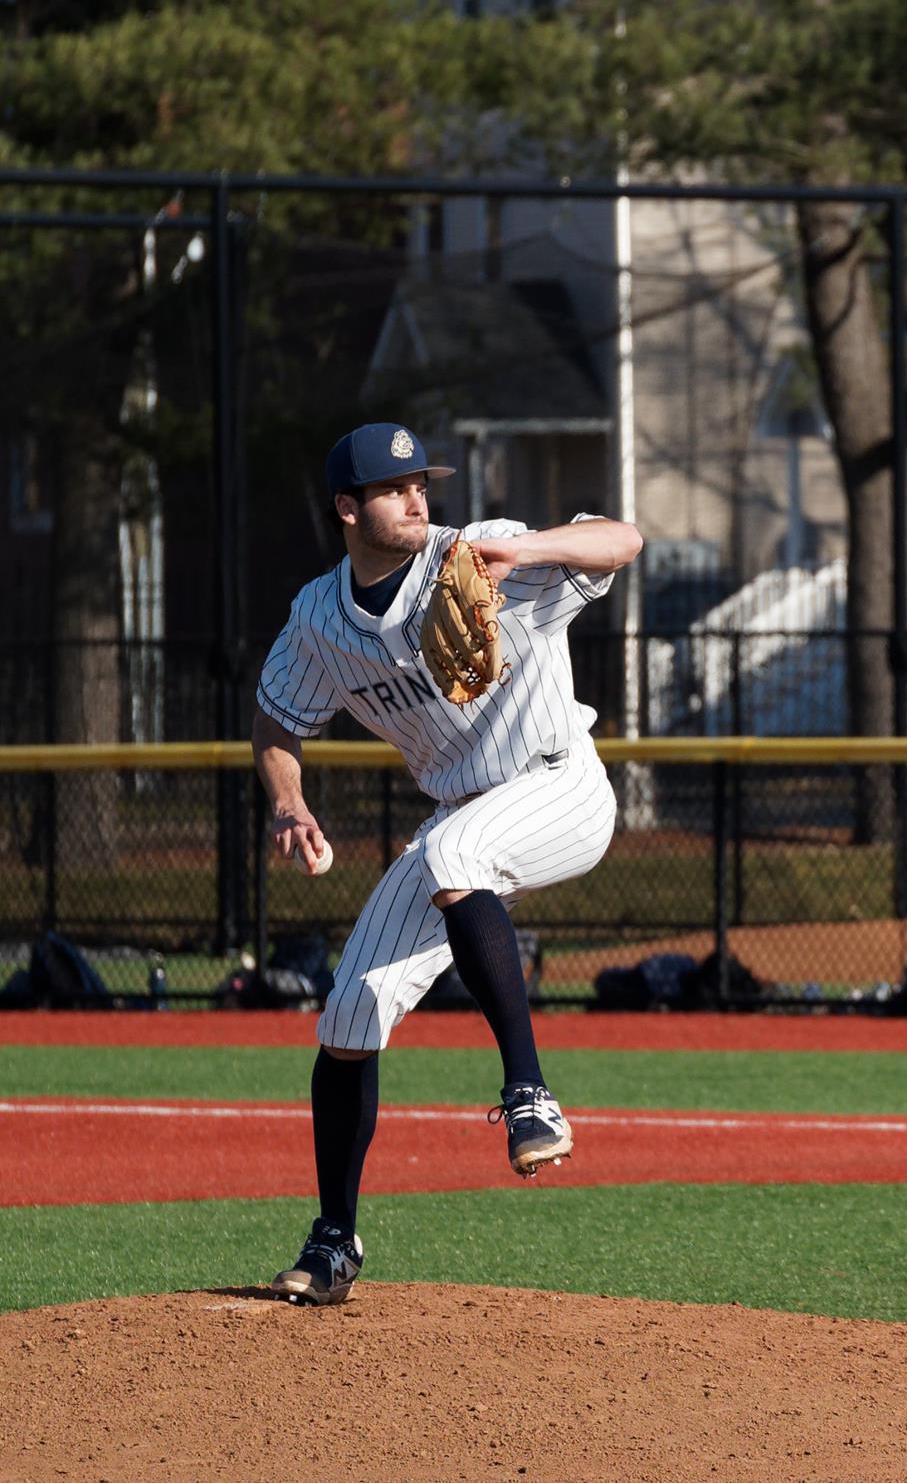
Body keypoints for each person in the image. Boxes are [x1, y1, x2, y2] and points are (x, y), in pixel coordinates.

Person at [252, 421, 643, 1306]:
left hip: (562, 784)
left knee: (456, 852)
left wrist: (528, 546)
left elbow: (625, 541)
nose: (418, 498)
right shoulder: (320, 618)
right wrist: (289, 802)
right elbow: (278, 721)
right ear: (348, 509)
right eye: (395, 489)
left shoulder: (478, 556)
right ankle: (332, 1242)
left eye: (422, 482)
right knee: (349, 1012)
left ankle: (529, 1090)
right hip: (461, 814)